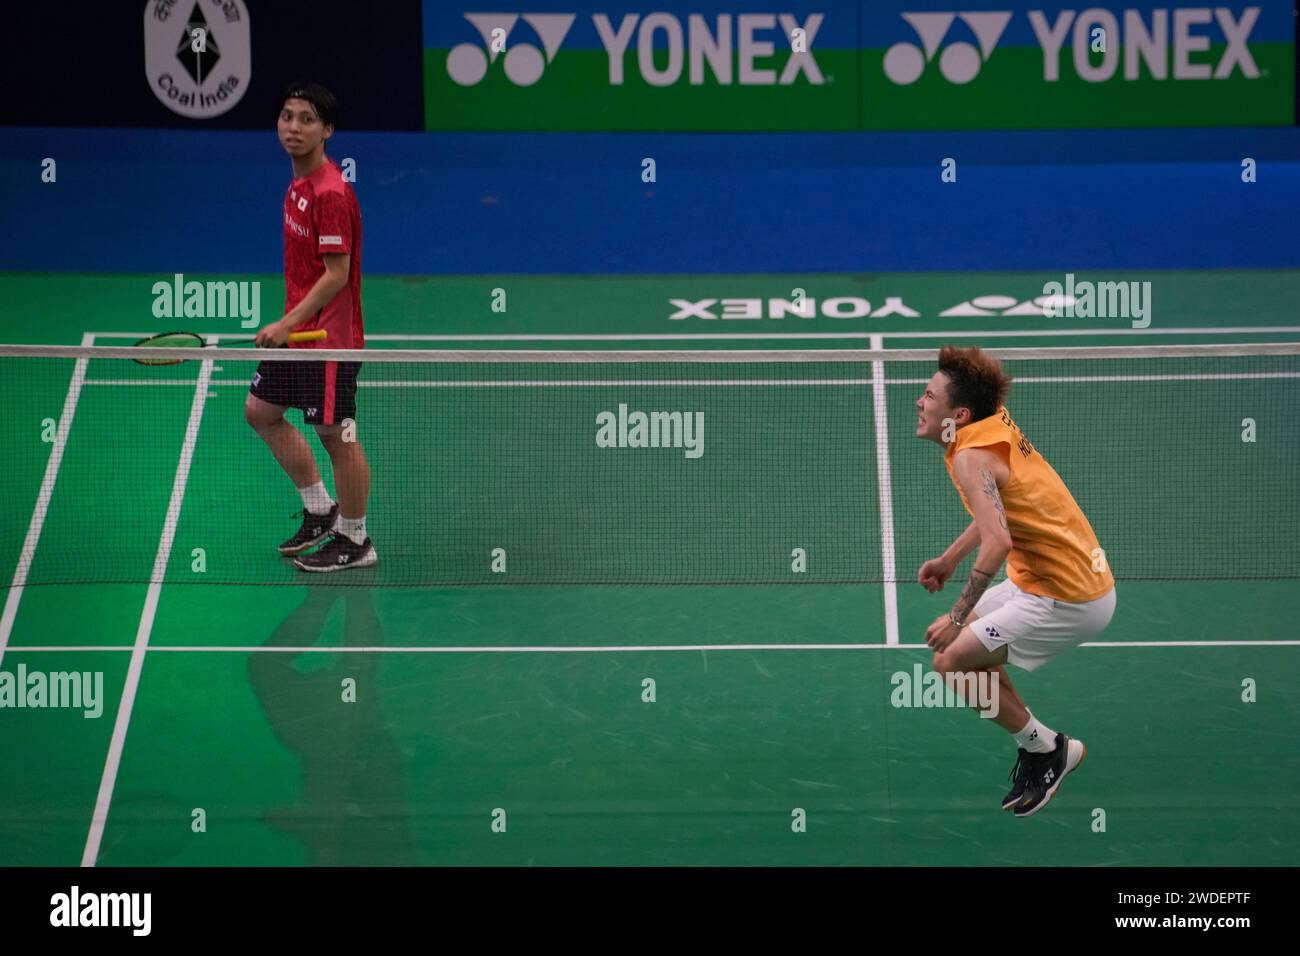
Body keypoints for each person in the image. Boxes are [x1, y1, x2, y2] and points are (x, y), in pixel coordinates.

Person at [915, 345, 1116, 816]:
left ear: (958, 414)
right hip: (1048, 578)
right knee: (962, 660)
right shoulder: (991, 423)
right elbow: (998, 510)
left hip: (1067, 597)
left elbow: (998, 542)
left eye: (928, 395)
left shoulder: (970, 458)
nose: (919, 403)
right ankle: (1042, 747)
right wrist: (948, 558)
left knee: (951, 662)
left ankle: (1046, 750)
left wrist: (957, 614)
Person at [246, 81, 375, 572]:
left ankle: (357, 539)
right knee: (261, 411)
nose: (293, 127)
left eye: (305, 119)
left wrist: (285, 323)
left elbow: (338, 275)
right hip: (297, 333)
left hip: (327, 339)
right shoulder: (297, 184)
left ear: (327, 130)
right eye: (286, 116)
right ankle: (322, 510)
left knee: (335, 435)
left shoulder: (330, 193)